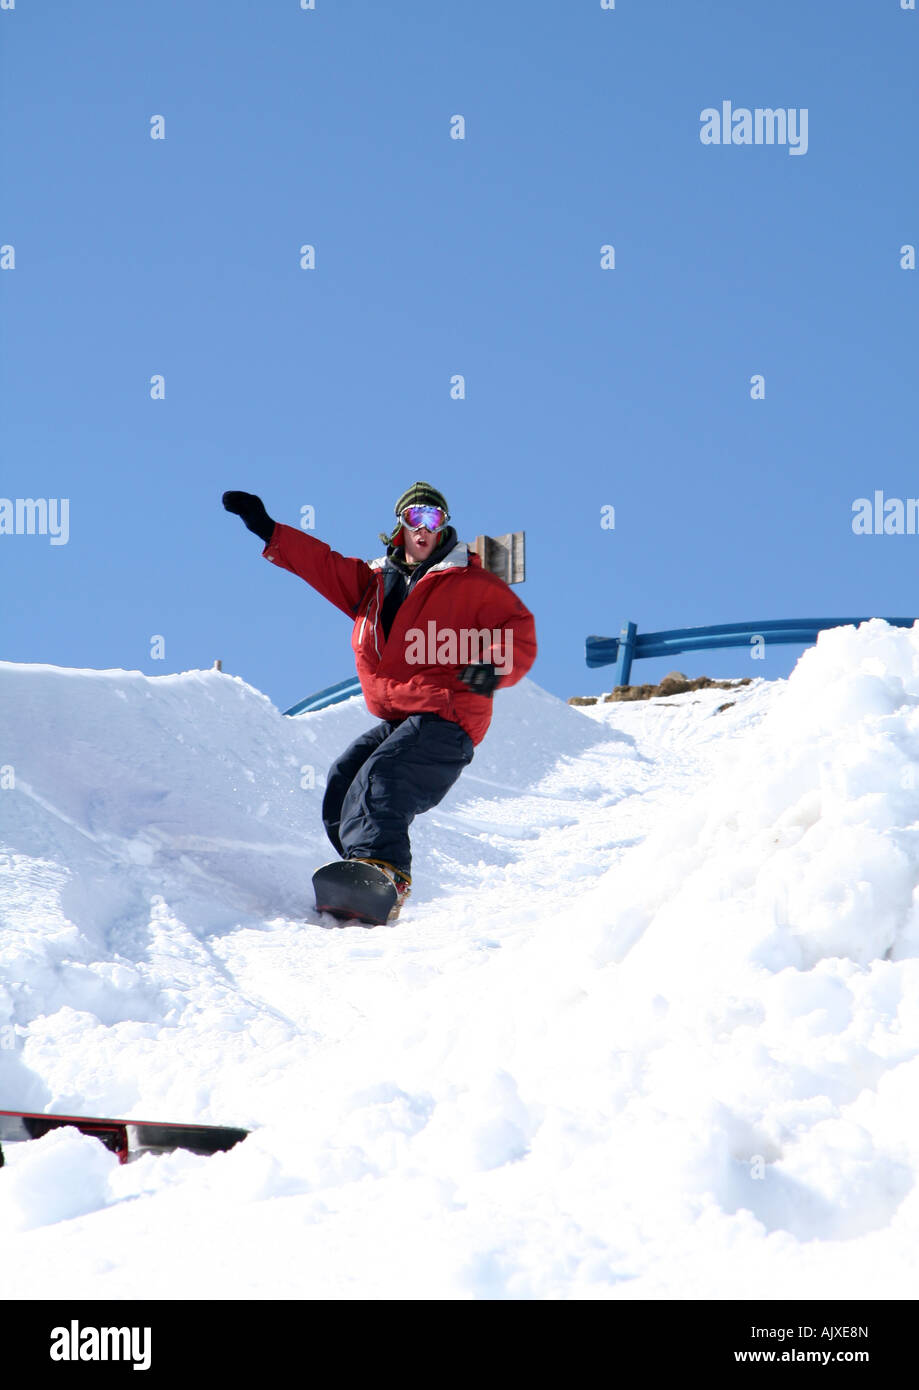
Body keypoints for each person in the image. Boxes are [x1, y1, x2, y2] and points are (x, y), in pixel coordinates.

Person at [223, 482, 537, 917]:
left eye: (434, 519)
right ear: (401, 526)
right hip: (402, 714)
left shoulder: (469, 581)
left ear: (444, 525)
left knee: (385, 776)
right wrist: (268, 530)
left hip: (449, 712)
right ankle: (362, 873)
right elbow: (322, 565)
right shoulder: (373, 582)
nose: (424, 528)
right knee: (346, 778)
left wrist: (490, 667)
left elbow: (516, 629)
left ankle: (387, 870)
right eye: (415, 518)